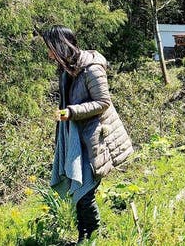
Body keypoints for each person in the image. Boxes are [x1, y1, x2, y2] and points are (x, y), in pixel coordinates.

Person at [43, 25, 133, 244]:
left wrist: (73, 112)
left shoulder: (91, 68)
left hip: (95, 138)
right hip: (79, 136)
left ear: (60, 46)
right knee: (80, 194)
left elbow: (103, 102)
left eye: (50, 49)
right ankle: (84, 237)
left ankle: (91, 237)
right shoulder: (69, 70)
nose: (48, 54)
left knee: (85, 192)